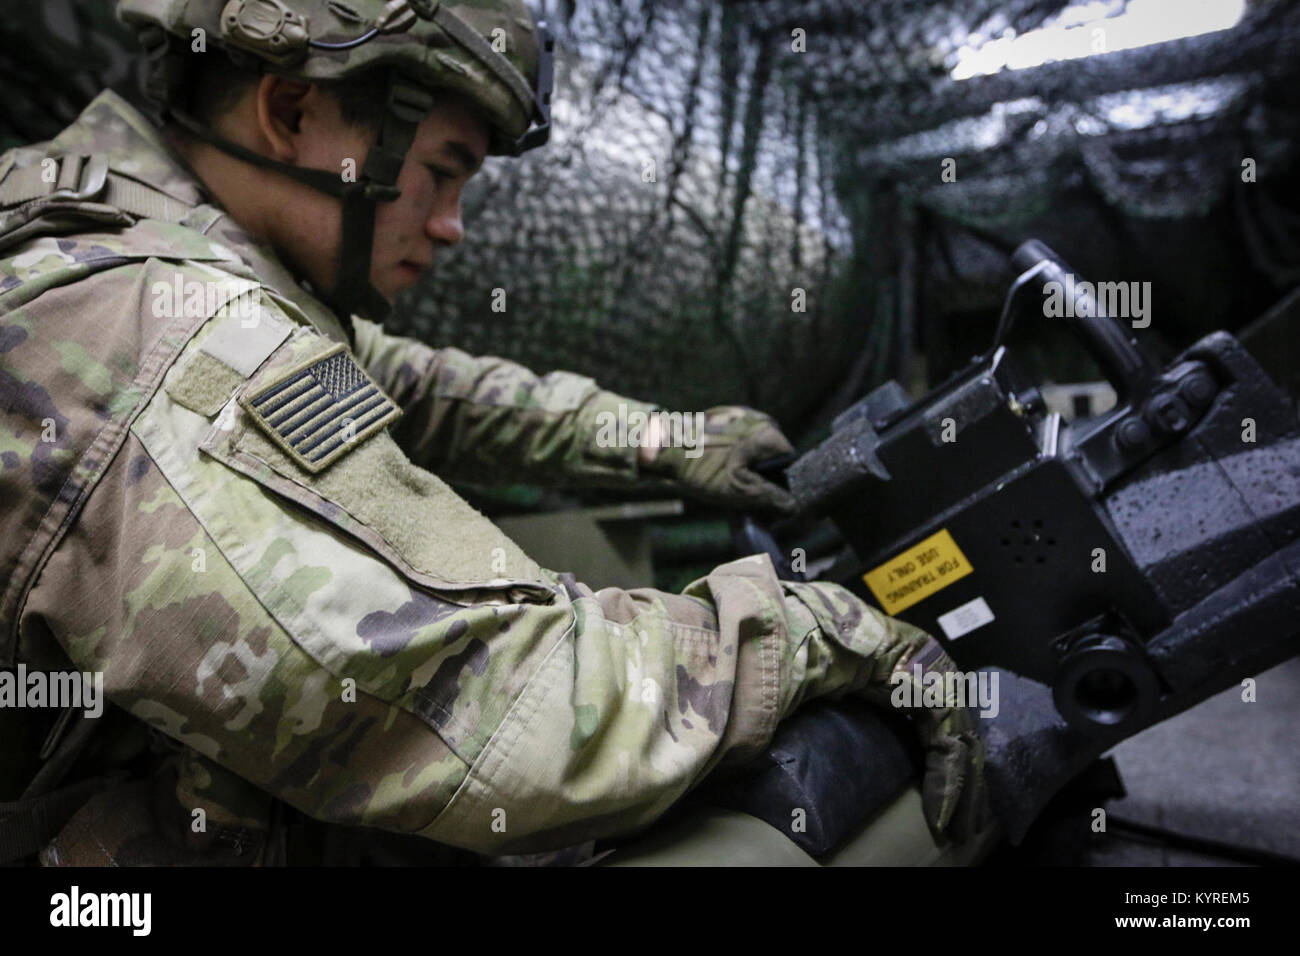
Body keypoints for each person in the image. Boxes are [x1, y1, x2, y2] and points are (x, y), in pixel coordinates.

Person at [0, 0, 989, 865]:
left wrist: (667, 438)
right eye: (442, 170)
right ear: (294, 111)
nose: (451, 225)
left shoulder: (120, 228)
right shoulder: (161, 339)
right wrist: (822, 632)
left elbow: (429, 389)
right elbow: (496, 706)